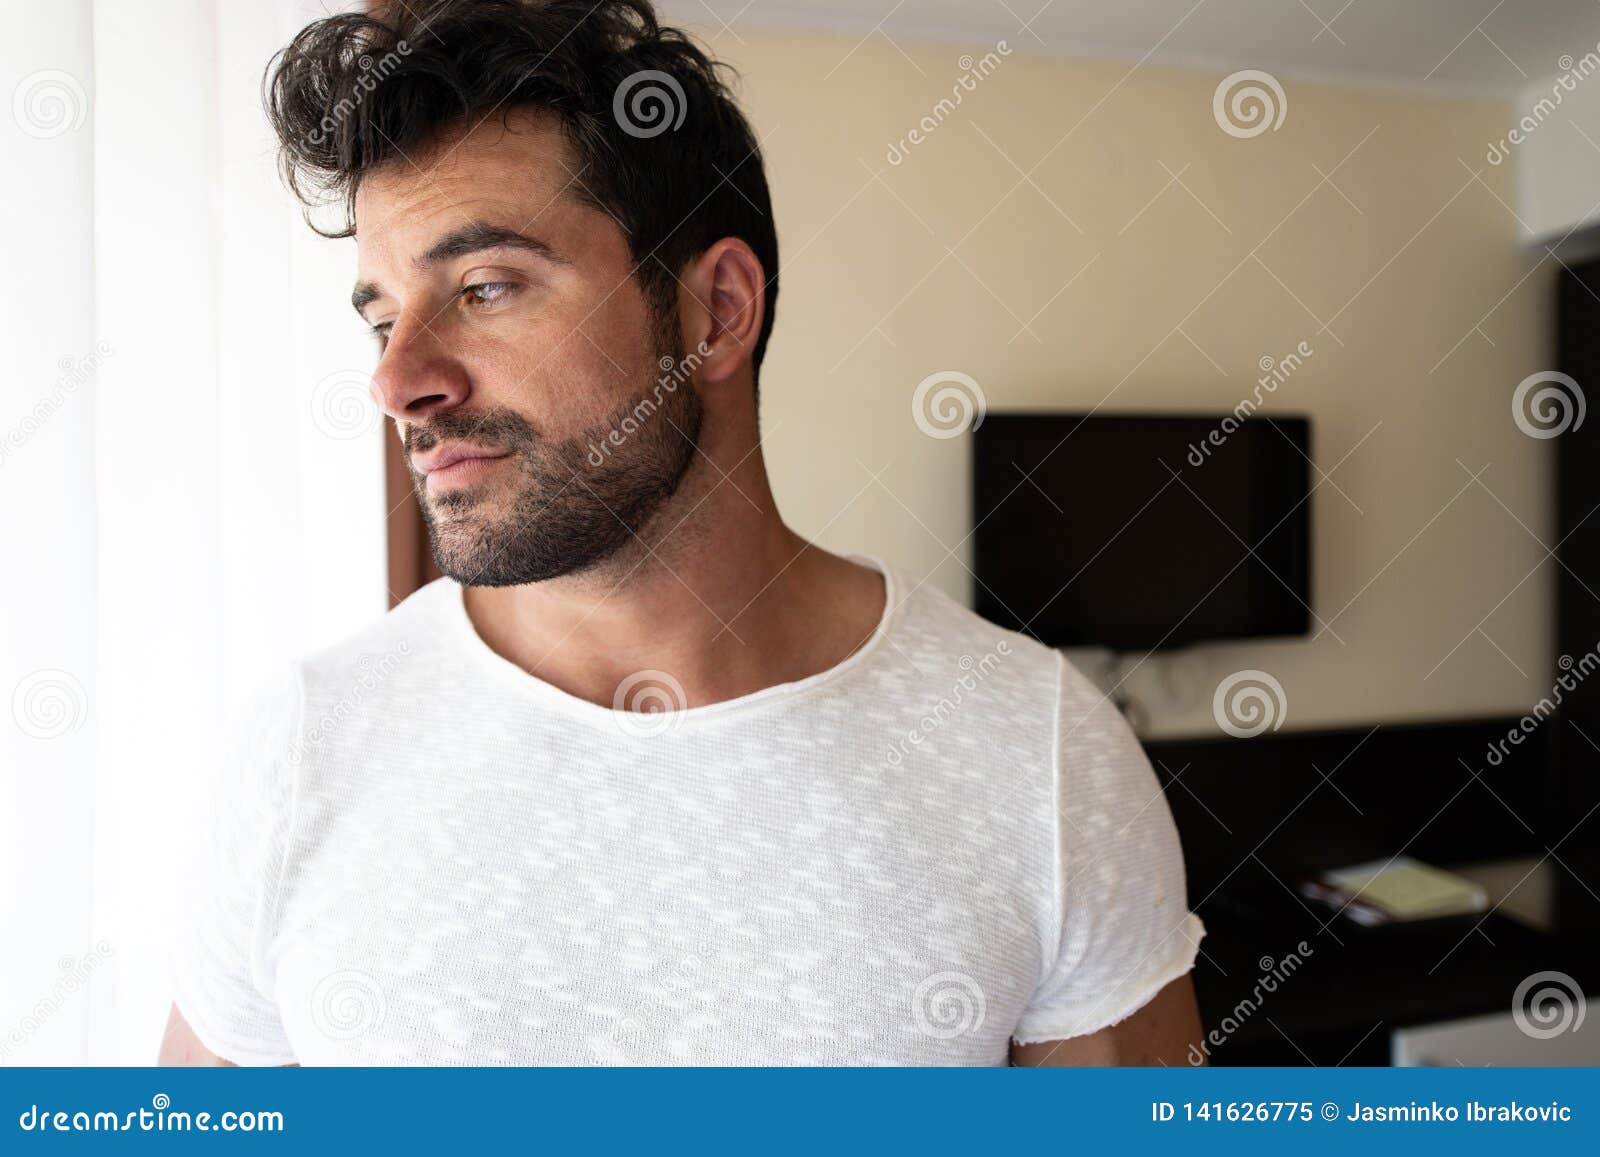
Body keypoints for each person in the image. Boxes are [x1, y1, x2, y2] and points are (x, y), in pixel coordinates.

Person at [161, 0, 1205, 1066]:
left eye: (484, 286)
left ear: (715, 310)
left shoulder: (1036, 752)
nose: (397, 380)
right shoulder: (300, 751)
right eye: (384, 320)